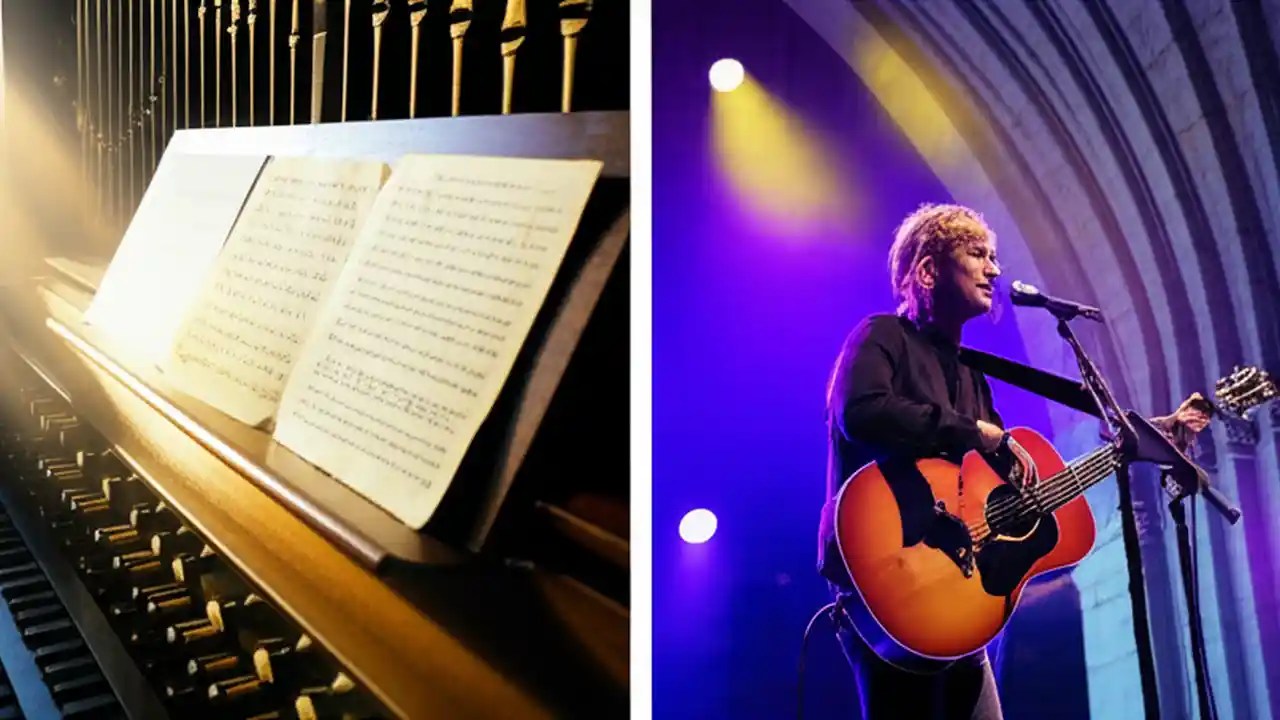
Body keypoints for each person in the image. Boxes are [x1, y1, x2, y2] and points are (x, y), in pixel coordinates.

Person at [816, 202, 1210, 719]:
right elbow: (862, 413)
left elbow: (996, 487)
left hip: (958, 598)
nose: (995, 270)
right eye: (977, 254)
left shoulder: (973, 378)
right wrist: (974, 432)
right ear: (930, 270)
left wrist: (1147, 437)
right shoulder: (881, 337)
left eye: (995, 257)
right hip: (889, 583)